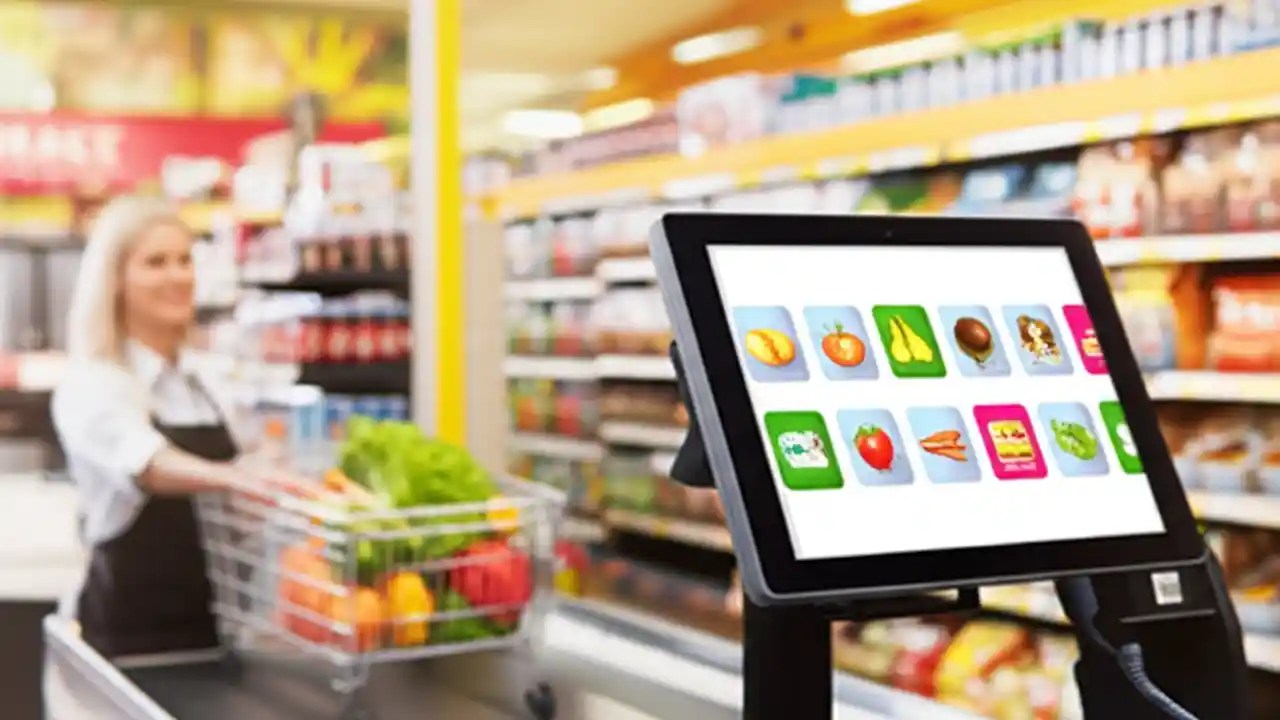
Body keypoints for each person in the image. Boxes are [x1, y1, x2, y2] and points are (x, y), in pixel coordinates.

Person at [52, 196, 307, 658]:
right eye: (155, 263)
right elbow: (147, 463)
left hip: (213, 639)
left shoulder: (206, 381)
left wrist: (274, 481)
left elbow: (244, 485)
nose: (178, 276)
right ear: (115, 282)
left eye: (184, 260)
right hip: (126, 647)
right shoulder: (95, 382)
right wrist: (234, 476)